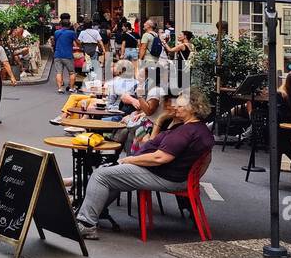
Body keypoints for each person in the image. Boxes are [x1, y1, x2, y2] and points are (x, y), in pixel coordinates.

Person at [75, 90, 214, 240]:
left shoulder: (186, 131)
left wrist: (128, 160)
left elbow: (159, 158)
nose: (175, 107)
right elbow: (206, 160)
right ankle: (94, 212)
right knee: (111, 174)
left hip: (164, 175)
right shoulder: (200, 130)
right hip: (172, 176)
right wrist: (192, 179)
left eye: (180, 106)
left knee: (100, 175)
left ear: (192, 109)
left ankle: (86, 224)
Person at [53, 15, 78, 93]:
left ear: (61, 25)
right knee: (71, 72)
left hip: (57, 54)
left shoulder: (56, 32)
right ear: (69, 25)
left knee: (59, 72)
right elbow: (77, 42)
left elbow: (55, 41)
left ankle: (60, 88)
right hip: (68, 55)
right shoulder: (72, 33)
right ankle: (71, 87)